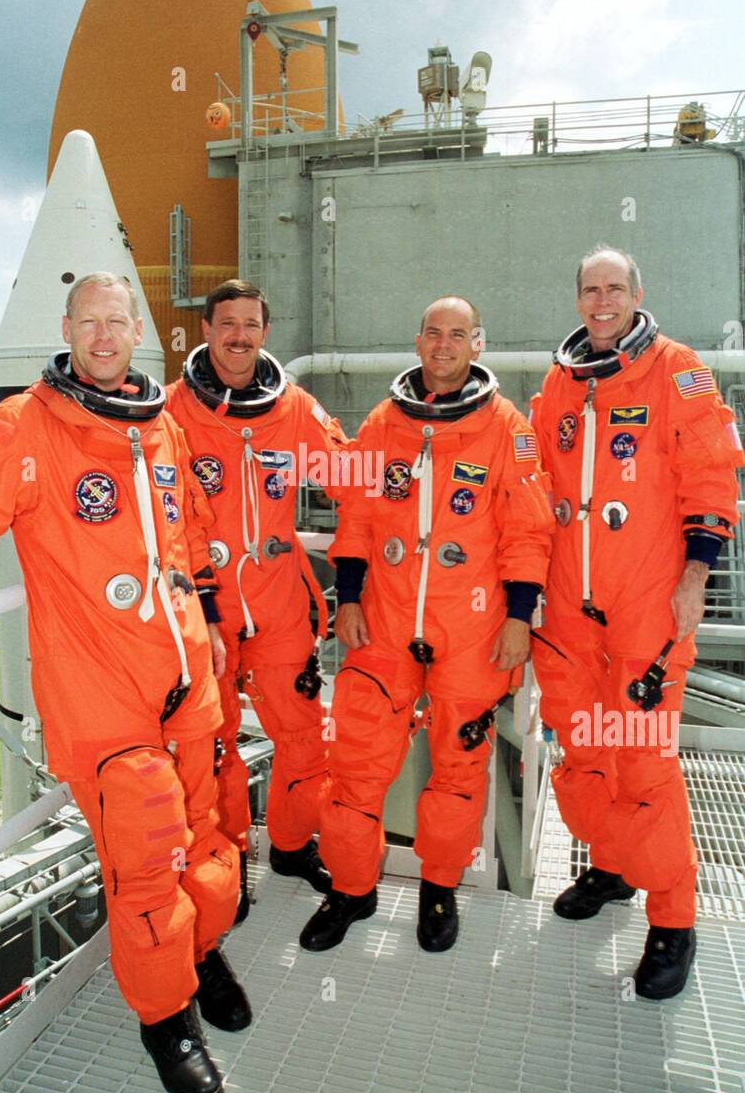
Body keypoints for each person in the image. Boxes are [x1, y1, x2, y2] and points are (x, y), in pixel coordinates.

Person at [0, 272, 250, 1093]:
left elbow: (192, 535)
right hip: (102, 697)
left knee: (209, 841)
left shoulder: (159, 425)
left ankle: (200, 954)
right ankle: (166, 1021)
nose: (103, 336)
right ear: (66, 328)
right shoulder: (22, 427)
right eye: (88, 322)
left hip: (186, 682)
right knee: (145, 867)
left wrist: (206, 619)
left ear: (139, 329)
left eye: (117, 321)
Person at [299, 297, 554, 952]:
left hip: (471, 625)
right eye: (434, 333)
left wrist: (520, 618)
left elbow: (529, 532)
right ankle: (352, 888)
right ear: (418, 343)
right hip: (380, 621)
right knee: (355, 759)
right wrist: (348, 597)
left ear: (477, 344)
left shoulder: (510, 429)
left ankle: (439, 887)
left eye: (458, 335)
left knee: (459, 766)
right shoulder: (384, 423)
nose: (444, 345)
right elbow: (354, 517)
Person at [529, 246, 742, 999]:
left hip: (647, 607)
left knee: (645, 765)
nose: (601, 301)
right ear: (578, 298)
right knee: (585, 755)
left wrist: (695, 577)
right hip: (567, 612)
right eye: (590, 289)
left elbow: (713, 476)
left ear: (636, 293)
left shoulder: (677, 371)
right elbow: (530, 483)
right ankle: (616, 866)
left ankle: (674, 917)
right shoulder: (560, 383)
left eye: (614, 288)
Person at [166, 281, 348, 917]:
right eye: (227, 324)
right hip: (205, 611)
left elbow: (351, 481)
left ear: (264, 333)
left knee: (304, 736)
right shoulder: (169, 414)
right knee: (213, 747)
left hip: (279, 605)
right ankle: (226, 861)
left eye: (251, 325)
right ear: (206, 332)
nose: (239, 337)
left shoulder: (295, 409)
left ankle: (294, 845)